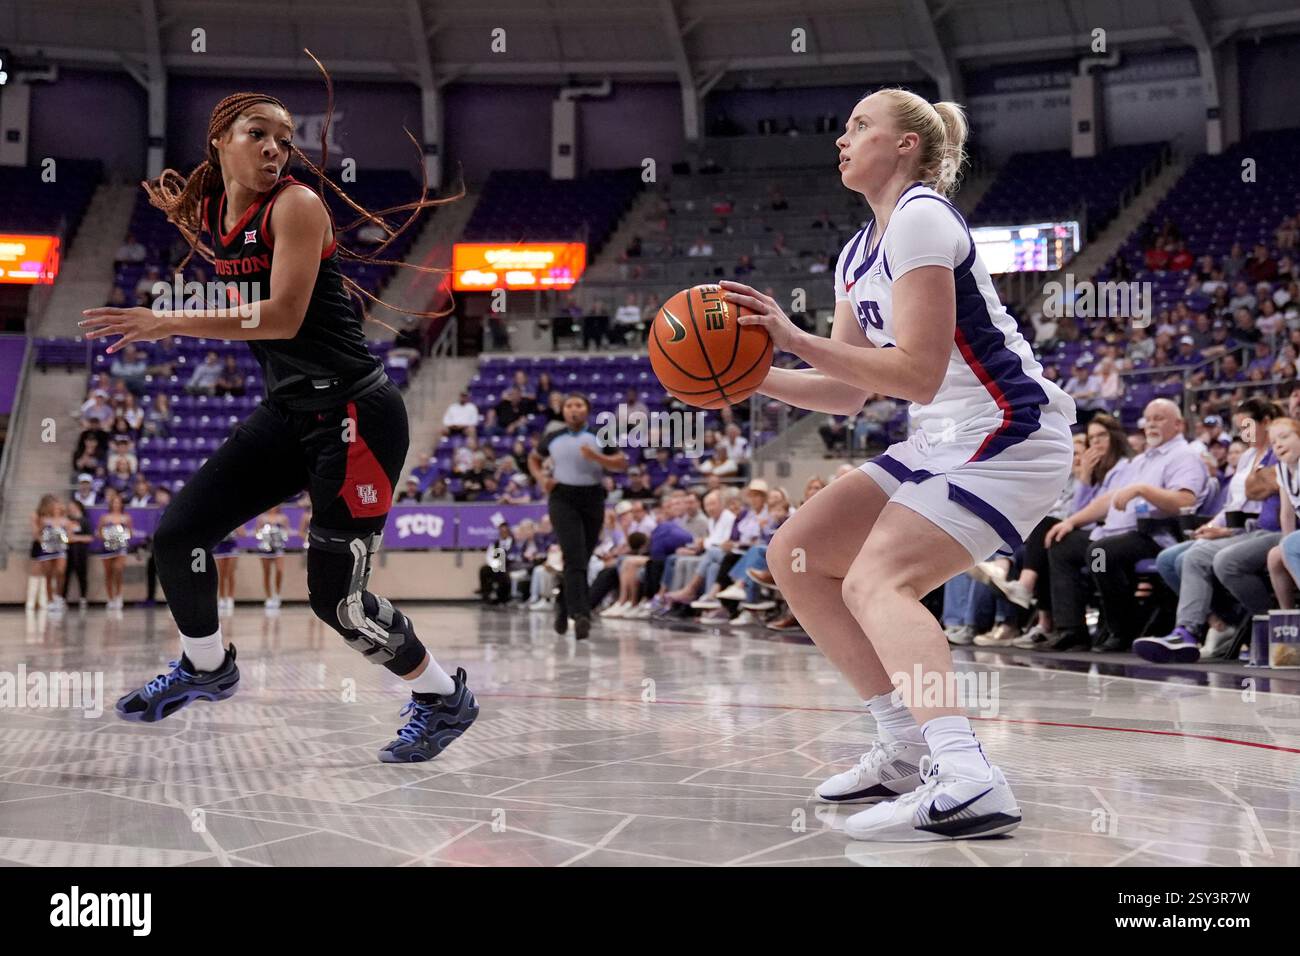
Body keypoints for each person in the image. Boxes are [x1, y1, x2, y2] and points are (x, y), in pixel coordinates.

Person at [79, 77, 476, 762]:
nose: (274, 149)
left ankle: (443, 698)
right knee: (178, 536)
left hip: (354, 414)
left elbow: (284, 314)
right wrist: (180, 210)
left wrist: (168, 321)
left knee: (338, 603)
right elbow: (225, 248)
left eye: (284, 141)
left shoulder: (297, 205)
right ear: (220, 141)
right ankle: (206, 668)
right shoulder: (213, 208)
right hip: (290, 410)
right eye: (257, 134)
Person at [719, 88, 1076, 842]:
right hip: (943, 439)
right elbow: (851, 391)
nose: (842, 140)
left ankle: (968, 773)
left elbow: (913, 373)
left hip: (1009, 428)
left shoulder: (921, 216)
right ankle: (906, 747)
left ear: (907, 145)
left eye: (859, 126)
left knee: (878, 579)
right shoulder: (856, 252)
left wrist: (790, 336)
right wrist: (749, 379)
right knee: (798, 554)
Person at [527, 393, 628, 640]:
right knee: (574, 556)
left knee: (582, 557)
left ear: (587, 410)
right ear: (563, 411)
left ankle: (562, 604)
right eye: (569, 405)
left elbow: (621, 462)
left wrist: (598, 458)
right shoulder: (553, 437)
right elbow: (533, 459)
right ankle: (581, 615)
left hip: (593, 496)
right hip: (562, 498)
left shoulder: (598, 435)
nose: (574, 409)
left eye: (579, 405)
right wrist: (542, 479)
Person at [95, 488, 135, 611]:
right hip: (107, 548)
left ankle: (119, 595)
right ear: (111, 504)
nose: (116, 505)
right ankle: (110, 598)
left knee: (118, 569)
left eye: (118, 502)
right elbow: (98, 532)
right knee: (108, 573)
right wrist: (106, 537)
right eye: (114, 502)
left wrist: (123, 536)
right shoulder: (104, 518)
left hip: (121, 547)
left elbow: (130, 533)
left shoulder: (126, 518)